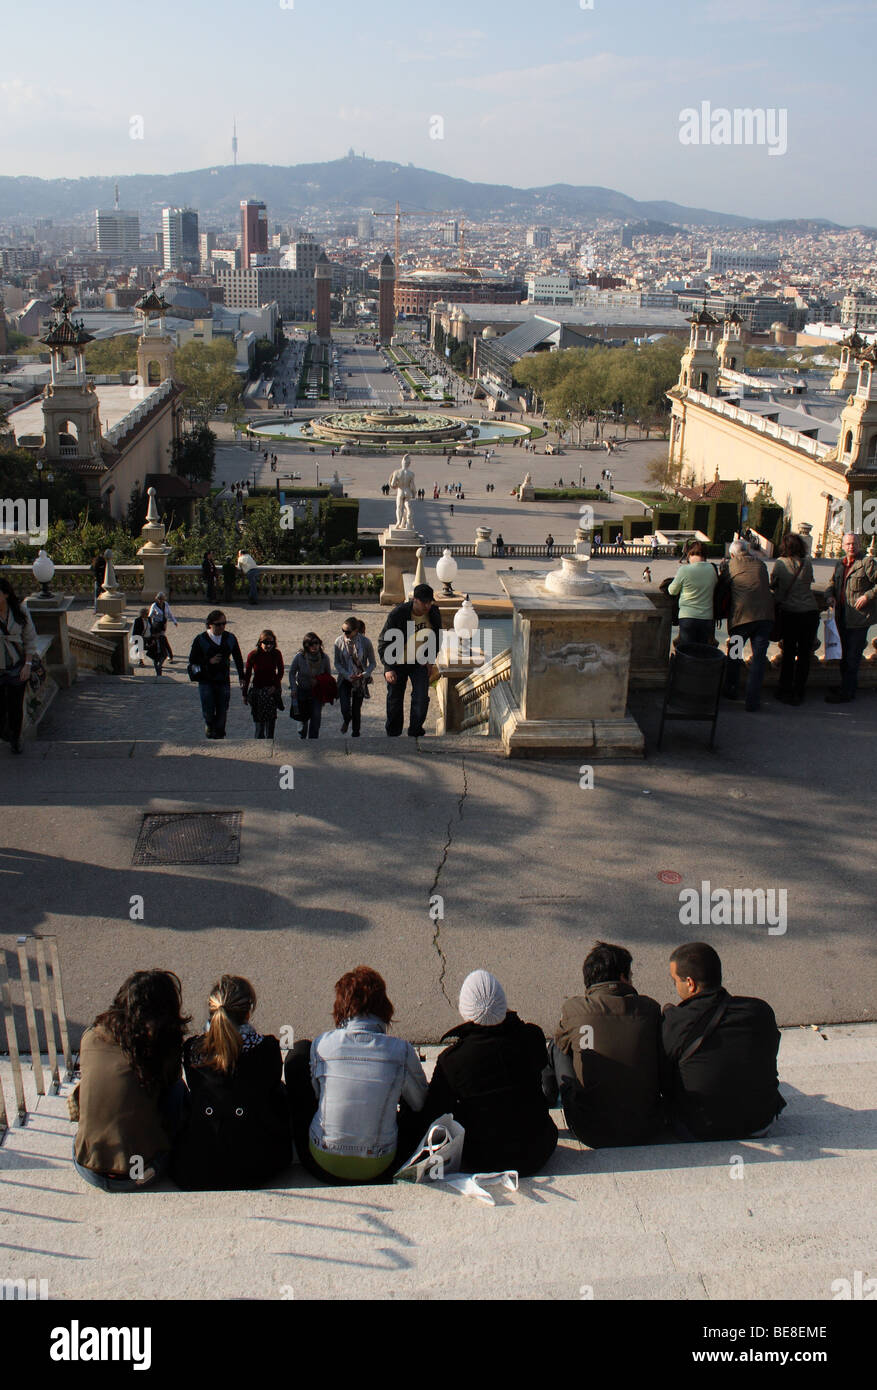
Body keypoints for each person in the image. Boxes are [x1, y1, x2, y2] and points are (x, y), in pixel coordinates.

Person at [284, 965, 427, 1184]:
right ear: (384, 1006)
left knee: (299, 1050)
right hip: (381, 1166)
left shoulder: (322, 1044)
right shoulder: (401, 1050)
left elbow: (315, 1094)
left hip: (322, 1163)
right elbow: (420, 1104)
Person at [422, 970, 557, 1177]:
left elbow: (435, 1111)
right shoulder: (532, 1037)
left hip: (483, 1159)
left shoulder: (452, 1061)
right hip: (538, 1149)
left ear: (465, 1011)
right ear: (503, 1005)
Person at [171, 976, 291, 1191]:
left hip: (199, 1168)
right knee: (278, 1091)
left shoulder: (192, 1051)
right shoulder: (267, 1049)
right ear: (249, 1011)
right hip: (256, 1167)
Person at [73, 970, 189, 1191]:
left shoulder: (91, 1037)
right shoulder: (160, 1051)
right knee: (177, 1089)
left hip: (89, 1167)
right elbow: (170, 1082)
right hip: (137, 1173)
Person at [544, 942, 663, 1148]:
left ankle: (548, 1097)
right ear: (623, 977)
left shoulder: (574, 1008)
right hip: (646, 1127)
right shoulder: (650, 1009)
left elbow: (563, 1046)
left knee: (557, 1046)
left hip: (589, 1131)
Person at [662, 943, 785, 1140]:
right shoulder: (760, 1011)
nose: (675, 986)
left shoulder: (675, 1021)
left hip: (700, 1130)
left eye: (675, 981)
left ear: (690, 983)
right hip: (760, 1123)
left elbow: (663, 1074)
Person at [378, 583, 441, 738]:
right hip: (397, 664)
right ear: (415, 600)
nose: (427, 605)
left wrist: (430, 659)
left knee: (421, 698)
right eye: (424, 602)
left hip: (419, 663)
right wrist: (388, 668)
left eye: (429, 602)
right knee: (395, 702)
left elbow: (437, 636)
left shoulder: (433, 612)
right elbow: (383, 642)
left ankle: (415, 732)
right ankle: (393, 735)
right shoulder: (398, 614)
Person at [823, 532, 877, 704]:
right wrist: (829, 596)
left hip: (859, 619)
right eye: (848, 544)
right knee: (843, 655)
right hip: (842, 616)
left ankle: (846, 692)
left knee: (852, 657)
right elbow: (832, 584)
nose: (851, 547)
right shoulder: (840, 563)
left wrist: (868, 596)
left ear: (859, 544)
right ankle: (846, 687)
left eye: (853, 543)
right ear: (843, 546)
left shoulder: (867, 563)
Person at [724, 539, 775, 711]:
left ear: (732, 554)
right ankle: (753, 701)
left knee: (735, 654)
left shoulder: (731, 565)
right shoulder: (760, 564)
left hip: (742, 620)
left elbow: (723, 586)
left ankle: (731, 690)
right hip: (765, 618)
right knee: (759, 659)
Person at [770, 533, 819, 705]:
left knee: (789, 652)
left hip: (791, 613)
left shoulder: (780, 563)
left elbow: (775, 586)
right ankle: (799, 691)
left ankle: (784, 689)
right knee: (805, 654)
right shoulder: (807, 563)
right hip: (811, 612)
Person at [188, 610, 245, 739]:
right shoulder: (200, 639)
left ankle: (219, 736)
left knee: (222, 710)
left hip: (223, 680)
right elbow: (192, 660)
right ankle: (209, 724)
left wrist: (242, 676)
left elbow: (238, 658)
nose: (222, 627)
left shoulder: (230, 638)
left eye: (224, 624)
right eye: (218, 624)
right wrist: (209, 661)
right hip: (206, 680)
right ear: (210, 624)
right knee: (208, 709)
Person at [0, 577, 38, 755]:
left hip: (16, 666)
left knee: (15, 706)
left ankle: (16, 738)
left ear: (6, 594)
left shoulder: (19, 611)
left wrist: (28, 665)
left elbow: (30, 639)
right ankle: (6, 733)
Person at [667, 540, 717, 646]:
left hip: (688, 616)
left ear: (689, 554)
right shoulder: (712, 569)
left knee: (687, 651)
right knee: (701, 652)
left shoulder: (684, 570)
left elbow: (672, 590)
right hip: (707, 617)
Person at [334, 615, 376, 737]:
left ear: (355, 631)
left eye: (347, 632)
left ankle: (355, 734)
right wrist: (347, 675)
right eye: (343, 631)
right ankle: (347, 719)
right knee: (344, 708)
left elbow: (373, 662)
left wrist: (365, 674)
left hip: (360, 680)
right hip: (345, 679)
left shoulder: (365, 642)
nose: (344, 633)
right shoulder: (338, 642)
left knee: (356, 710)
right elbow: (337, 662)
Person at [242, 629, 284, 739]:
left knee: (270, 725)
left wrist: (275, 687)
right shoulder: (253, 655)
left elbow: (280, 672)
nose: (268, 645)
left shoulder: (276, 654)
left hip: (271, 691)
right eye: (266, 642)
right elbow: (247, 676)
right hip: (257, 690)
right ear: (260, 642)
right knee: (259, 726)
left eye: (271, 643)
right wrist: (244, 693)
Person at [289, 632, 332, 739]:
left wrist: (319, 681)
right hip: (302, 691)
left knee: (316, 719)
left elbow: (328, 676)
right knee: (303, 722)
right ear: (306, 645)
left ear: (319, 643)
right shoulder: (300, 657)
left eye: (316, 643)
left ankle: (313, 742)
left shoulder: (324, 658)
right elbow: (291, 673)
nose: (314, 646)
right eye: (310, 644)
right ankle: (302, 740)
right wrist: (294, 688)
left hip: (317, 693)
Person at [147, 592, 178, 669]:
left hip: (164, 624)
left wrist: (174, 621)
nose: (161, 601)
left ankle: (165, 655)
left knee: (162, 639)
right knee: (162, 639)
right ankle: (167, 655)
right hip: (157, 625)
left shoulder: (166, 604)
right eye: (160, 600)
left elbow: (169, 613)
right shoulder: (154, 606)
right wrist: (150, 626)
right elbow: (149, 616)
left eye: (162, 600)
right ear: (157, 599)